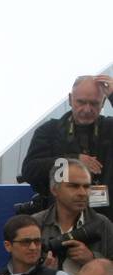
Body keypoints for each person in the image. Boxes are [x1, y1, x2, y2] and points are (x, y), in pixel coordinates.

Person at [21, 75, 113, 219]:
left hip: (106, 220)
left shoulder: (109, 129)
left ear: (103, 103)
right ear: (70, 99)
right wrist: (72, 162)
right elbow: (30, 170)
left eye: (94, 103)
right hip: (59, 220)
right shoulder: (50, 131)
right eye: (81, 102)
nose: (87, 109)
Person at [32, 158, 113, 275]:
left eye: (86, 186)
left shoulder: (103, 224)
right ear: (54, 189)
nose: (82, 193)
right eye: (73, 186)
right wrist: (41, 273)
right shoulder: (35, 224)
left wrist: (92, 260)